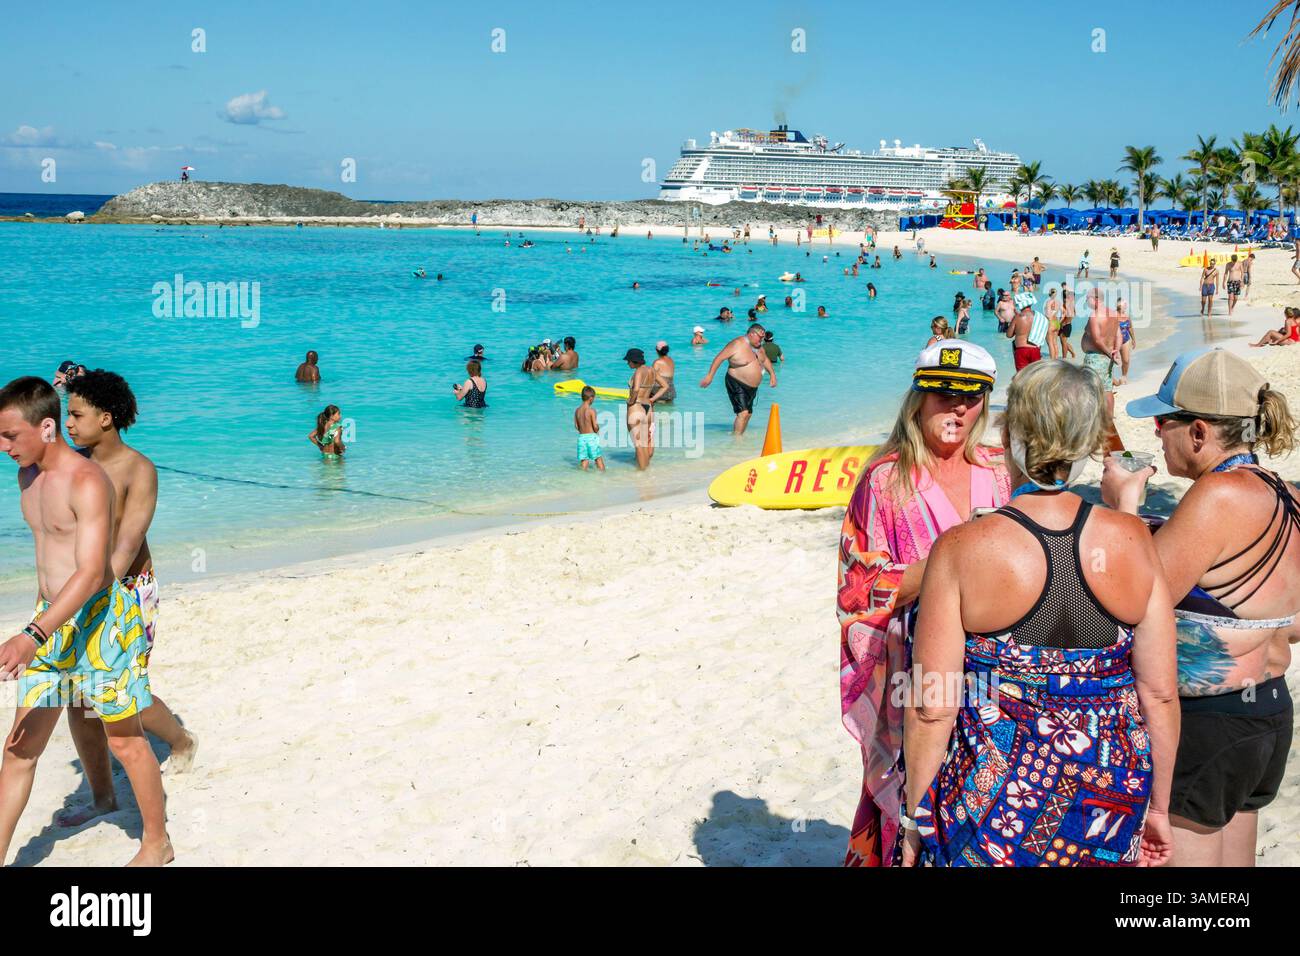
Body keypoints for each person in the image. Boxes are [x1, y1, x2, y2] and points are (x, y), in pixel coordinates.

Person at [902, 360, 1178, 867]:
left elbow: (932, 705)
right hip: (1110, 792)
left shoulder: (963, 548)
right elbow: (1158, 693)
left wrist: (914, 818)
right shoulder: (1134, 539)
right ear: (1090, 443)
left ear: (1009, 435)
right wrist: (1159, 805)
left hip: (995, 794)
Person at [1104, 347, 1299, 867]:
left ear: (1198, 432)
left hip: (1208, 720)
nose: (1155, 433)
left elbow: (1131, 602)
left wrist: (1123, 507)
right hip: (1267, 712)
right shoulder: (1284, 493)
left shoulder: (1217, 495)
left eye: (1163, 421)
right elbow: (1291, 623)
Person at [838, 341, 1010, 866]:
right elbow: (858, 593)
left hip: (1000, 674)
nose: (955, 407)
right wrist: (951, 559)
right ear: (918, 397)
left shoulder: (1005, 469)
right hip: (915, 674)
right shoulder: (885, 480)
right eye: (941, 393)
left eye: (971, 395)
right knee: (915, 799)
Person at [0, 377, 172, 866]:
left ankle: (157, 842)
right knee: (18, 749)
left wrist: (34, 634)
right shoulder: (28, 478)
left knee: (125, 740)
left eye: (11, 435)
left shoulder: (88, 480)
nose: (2, 446)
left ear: (46, 427)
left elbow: (94, 570)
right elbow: (47, 559)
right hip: (51, 624)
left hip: (100, 624)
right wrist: (38, 620)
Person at [56, 371, 197, 826]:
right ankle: (102, 798)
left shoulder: (139, 469)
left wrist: (88, 597)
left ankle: (181, 742)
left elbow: (127, 544)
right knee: (79, 696)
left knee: (123, 692)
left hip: (127, 590)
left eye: (76, 414)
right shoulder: (71, 465)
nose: (68, 423)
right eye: (66, 413)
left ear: (106, 418)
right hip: (77, 589)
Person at [699, 323, 776, 436]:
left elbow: (764, 360)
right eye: (760, 337)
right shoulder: (737, 344)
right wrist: (710, 376)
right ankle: (736, 439)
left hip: (752, 387)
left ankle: (739, 437)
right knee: (743, 413)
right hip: (736, 382)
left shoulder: (758, 347)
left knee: (748, 414)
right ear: (751, 334)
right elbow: (719, 358)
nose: (761, 340)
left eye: (763, 338)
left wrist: (772, 375)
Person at [624, 349, 662, 469]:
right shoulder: (651, 370)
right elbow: (665, 386)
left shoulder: (639, 371)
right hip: (648, 408)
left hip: (636, 406)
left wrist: (631, 401)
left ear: (634, 361)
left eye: (628, 361)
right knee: (644, 443)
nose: (627, 363)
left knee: (638, 444)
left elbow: (635, 389)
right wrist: (652, 399)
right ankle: (646, 471)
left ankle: (642, 473)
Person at [574, 386, 605, 472]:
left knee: (584, 460)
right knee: (597, 458)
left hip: (581, 438)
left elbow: (576, 426)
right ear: (591, 398)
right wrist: (597, 429)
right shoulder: (591, 411)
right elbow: (595, 427)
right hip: (591, 438)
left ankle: (583, 478)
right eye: (594, 398)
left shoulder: (577, 411)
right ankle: (604, 476)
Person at [1117, 298, 1137, 383]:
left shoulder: (1127, 317)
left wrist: (1133, 339)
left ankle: (1124, 376)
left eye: (1125, 305)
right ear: (1118, 306)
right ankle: (1110, 379)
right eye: (1123, 305)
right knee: (1113, 361)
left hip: (1125, 340)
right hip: (1115, 342)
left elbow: (1130, 328)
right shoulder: (1113, 316)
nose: (1125, 307)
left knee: (1126, 360)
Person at [1059, 283, 1077, 359]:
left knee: (1063, 343)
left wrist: (1062, 323)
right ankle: (1072, 354)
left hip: (1065, 325)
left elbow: (1070, 315)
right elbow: (1074, 314)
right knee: (1063, 342)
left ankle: (1064, 359)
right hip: (1065, 324)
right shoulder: (1070, 303)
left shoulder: (1068, 304)